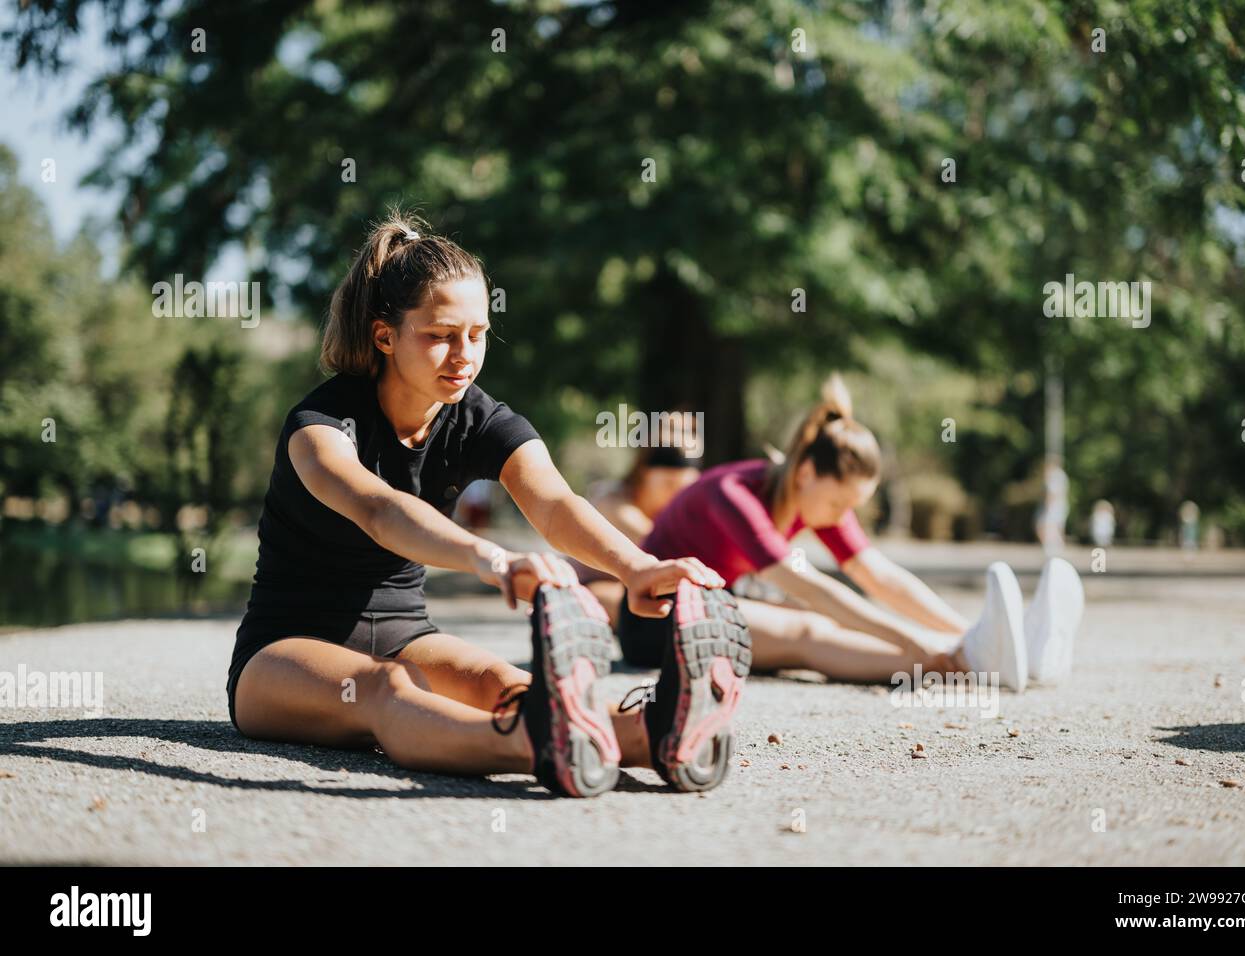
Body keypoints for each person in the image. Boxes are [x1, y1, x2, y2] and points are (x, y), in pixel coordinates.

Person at [225, 212, 750, 797]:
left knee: (508, 683)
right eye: (441, 335)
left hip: (405, 630)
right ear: (384, 336)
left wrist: (637, 568)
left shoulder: (478, 417)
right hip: (283, 652)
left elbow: (552, 501)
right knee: (386, 689)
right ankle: (539, 746)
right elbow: (380, 510)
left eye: (477, 334)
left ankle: (648, 735)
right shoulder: (320, 427)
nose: (464, 355)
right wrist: (492, 560)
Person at [613, 375, 1084, 692]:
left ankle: (993, 648)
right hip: (653, 620)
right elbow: (809, 588)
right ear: (805, 474)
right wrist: (918, 645)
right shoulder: (734, 494)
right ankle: (965, 661)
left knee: (825, 618)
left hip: (713, 603)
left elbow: (880, 576)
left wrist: (963, 626)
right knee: (808, 627)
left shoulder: (811, 497)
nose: (842, 516)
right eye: (840, 504)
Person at [571, 443, 701, 619]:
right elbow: (657, 542)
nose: (674, 494)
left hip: (641, 585)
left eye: (683, 488)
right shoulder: (612, 502)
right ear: (644, 474)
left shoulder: (676, 511)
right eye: (668, 484)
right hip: (590, 586)